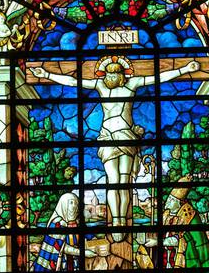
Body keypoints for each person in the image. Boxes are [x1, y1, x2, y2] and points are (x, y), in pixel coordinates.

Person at [33, 55, 199, 240]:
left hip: (126, 136)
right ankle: (117, 221)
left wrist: (184, 70)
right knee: (113, 182)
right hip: (108, 138)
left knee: (124, 183)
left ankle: (122, 221)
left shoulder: (132, 84)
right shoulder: (101, 85)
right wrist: (47, 73)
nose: (110, 77)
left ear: (122, 74)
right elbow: (73, 81)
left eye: (114, 73)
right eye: (108, 73)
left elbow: (157, 77)